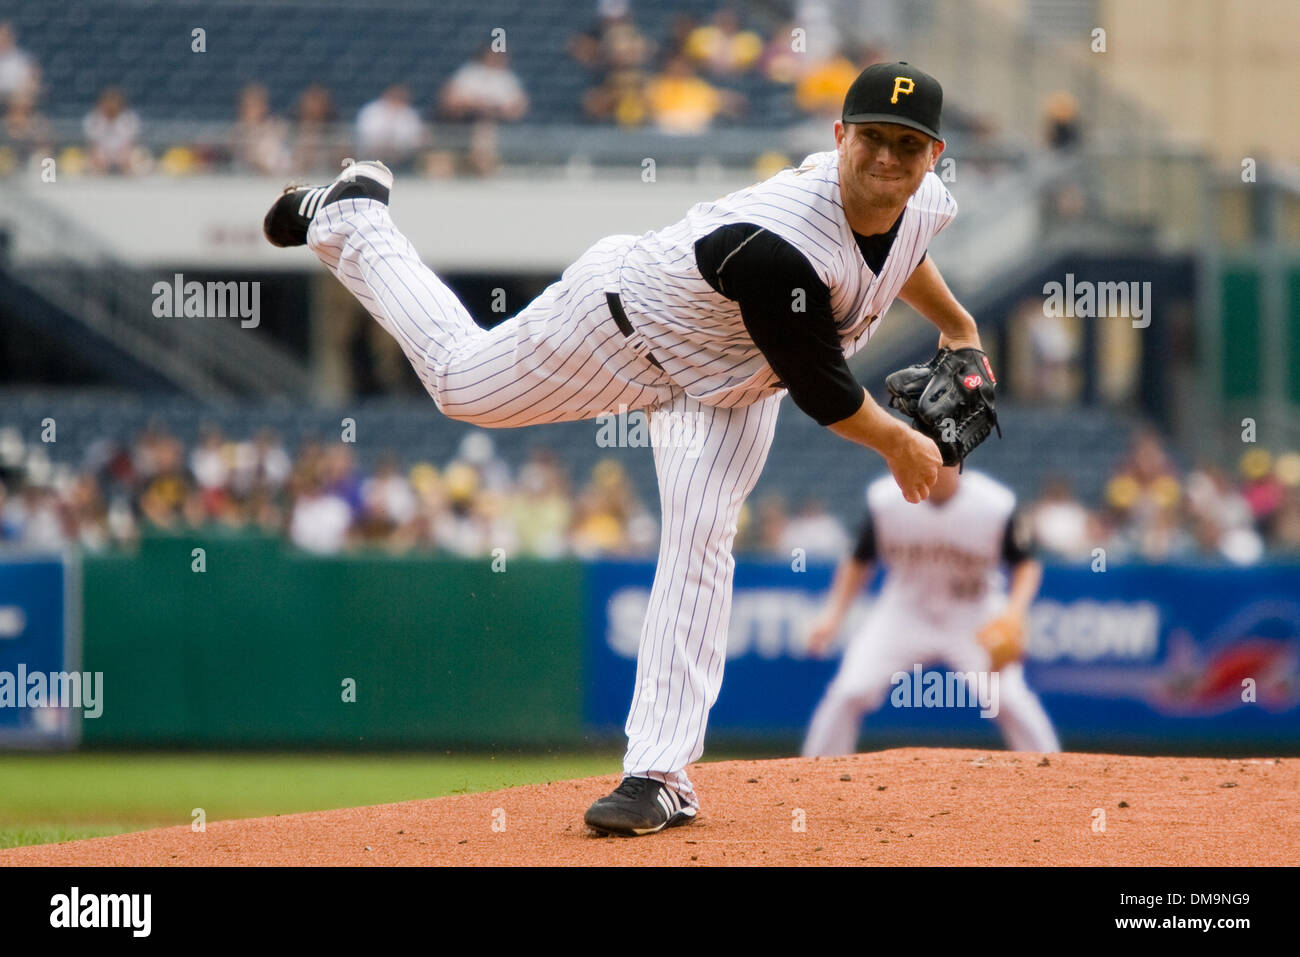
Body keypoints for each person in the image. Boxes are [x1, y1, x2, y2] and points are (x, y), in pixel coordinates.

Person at [263, 62, 982, 836]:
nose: (886, 159)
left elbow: (902, 243)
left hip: (730, 389)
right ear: (838, 135)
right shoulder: (779, 244)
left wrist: (961, 327)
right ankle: (357, 218)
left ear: (932, 155)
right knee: (459, 383)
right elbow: (829, 394)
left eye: (906, 147)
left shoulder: (921, 198)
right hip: (623, 328)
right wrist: (903, 446)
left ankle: (658, 773)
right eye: (871, 138)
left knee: (703, 538)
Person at [802, 466, 1061, 756]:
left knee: (1008, 699)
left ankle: (1055, 775)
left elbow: (1026, 564)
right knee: (850, 691)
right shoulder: (886, 498)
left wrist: (1013, 615)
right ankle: (812, 776)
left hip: (974, 615)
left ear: (959, 461)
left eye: (943, 457)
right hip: (904, 612)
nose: (934, 466)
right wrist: (832, 615)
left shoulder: (994, 503)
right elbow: (859, 560)